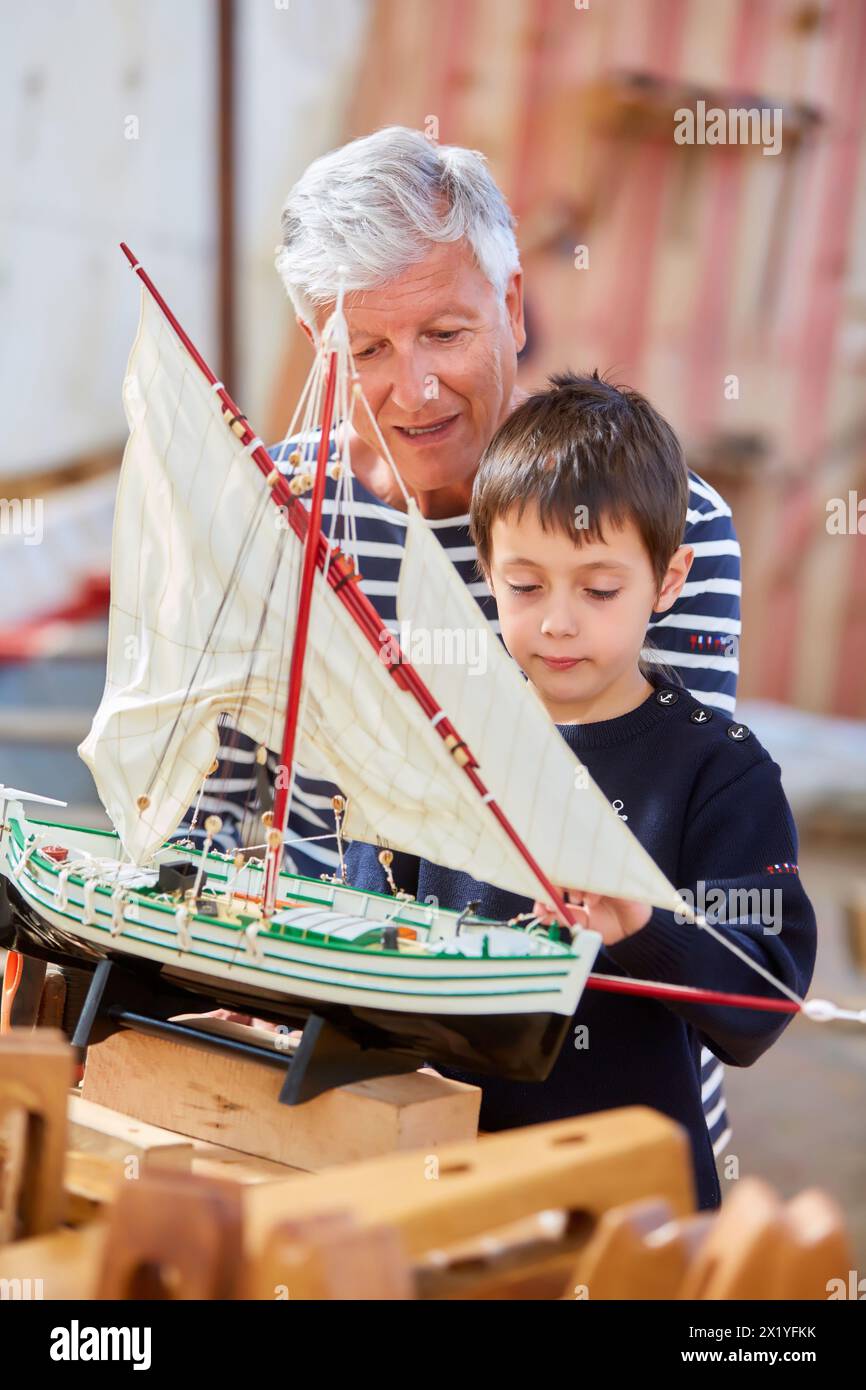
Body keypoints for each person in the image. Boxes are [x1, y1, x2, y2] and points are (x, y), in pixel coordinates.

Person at [184, 125, 741, 1157]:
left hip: (594, 1115)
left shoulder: (656, 527)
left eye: (444, 331)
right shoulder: (276, 507)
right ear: (320, 345)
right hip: (334, 1095)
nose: (415, 388)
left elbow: (655, 844)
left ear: (512, 306)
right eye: (367, 349)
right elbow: (230, 797)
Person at [342, 370, 817, 1212]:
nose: (559, 620)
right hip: (449, 1192)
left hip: (637, 1210)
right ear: (486, 568)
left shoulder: (720, 772)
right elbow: (369, 939)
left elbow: (763, 1001)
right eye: (526, 586)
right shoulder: (443, 747)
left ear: (668, 581)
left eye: (599, 589)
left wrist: (644, 927)